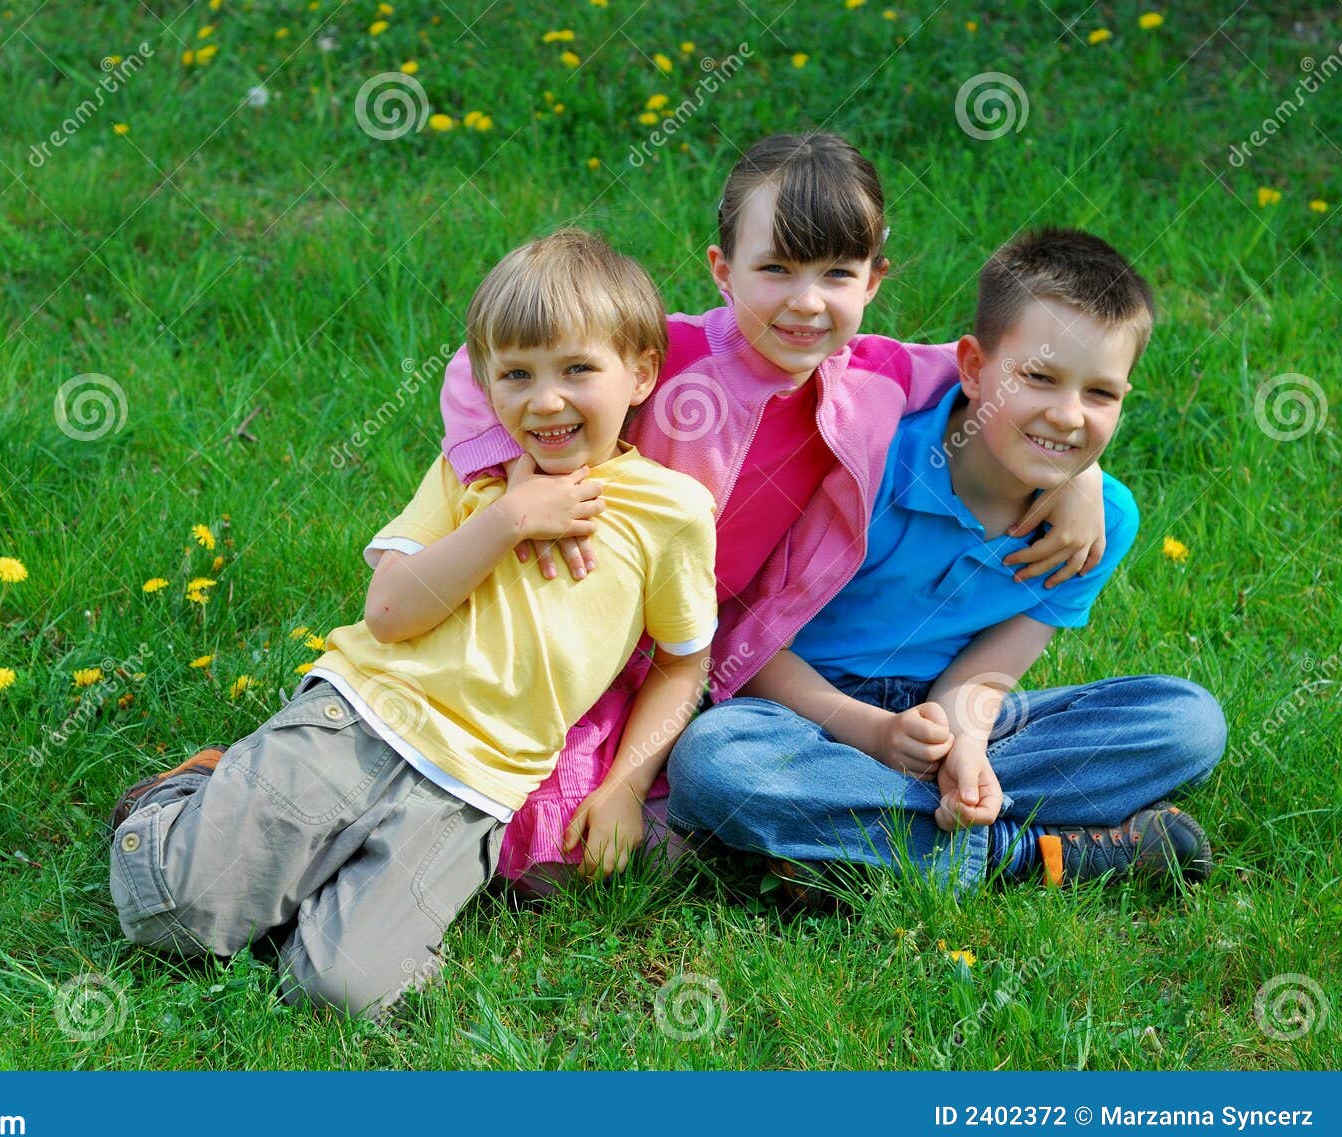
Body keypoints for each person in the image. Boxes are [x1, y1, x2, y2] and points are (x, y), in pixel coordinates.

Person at [436, 132, 1113, 890]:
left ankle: (902, 810)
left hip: (709, 658)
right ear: (722, 271)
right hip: (599, 624)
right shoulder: (672, 352)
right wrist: (505, 470)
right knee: (580, 834)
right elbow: (475, 365)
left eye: (836, 273)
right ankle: (993, 842)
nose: (806, 301)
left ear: (873, 281)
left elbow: (1001, 381)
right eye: (777, 269)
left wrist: (1083, 476)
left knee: (1180, 724)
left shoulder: (876, 370)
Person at [106, 229, 716, 1017]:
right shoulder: (475, 472)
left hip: (468, 791)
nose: (546, 399)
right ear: (489, 385)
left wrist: (629, 784)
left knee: (341, 991)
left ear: (640, 373)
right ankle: (191, 793)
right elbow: (388, 614)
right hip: (355, 718)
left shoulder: (671, 510)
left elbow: (682, 661)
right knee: (168, 913)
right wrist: (509, 519)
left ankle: (297, 879)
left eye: (577, 370)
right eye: (517, 374)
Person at [666, 227, 1227, 898]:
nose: (1068, 415)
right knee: (712, 759)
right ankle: (1018, 853)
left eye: (1100, 394)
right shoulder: (865, 464)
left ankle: (853, 844)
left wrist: (963, 749)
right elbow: (746, 647)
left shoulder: (1099, 521)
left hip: (938, 723)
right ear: (972, 368)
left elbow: (982, 676)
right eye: (1039, 377)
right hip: (801, 715)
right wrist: (872, 732)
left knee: (1186, 722)